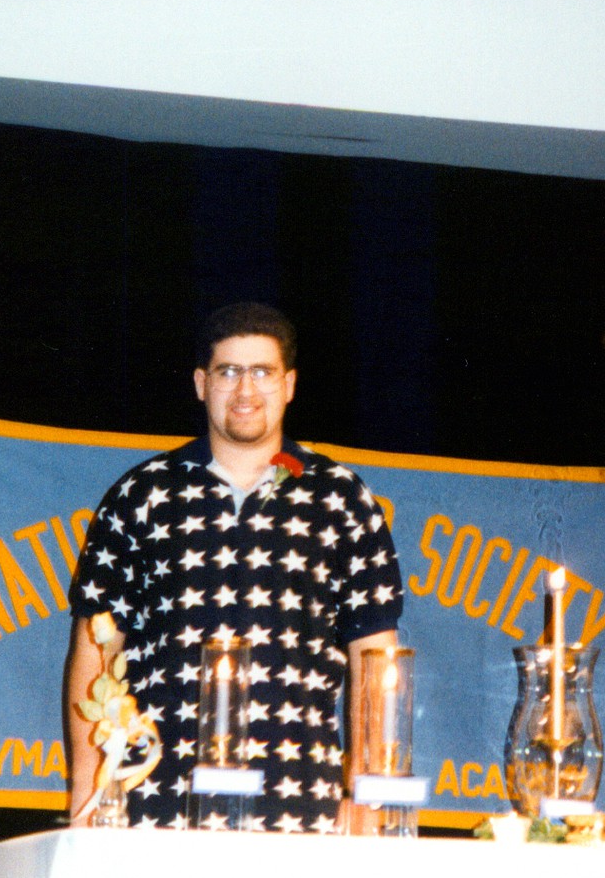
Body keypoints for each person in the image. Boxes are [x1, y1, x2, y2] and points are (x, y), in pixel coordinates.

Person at [64, 301, 403, 833]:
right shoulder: (143, 494)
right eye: (228, 372)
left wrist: (365, 789)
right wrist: (88, 789)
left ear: (289, 384)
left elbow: (374, 653)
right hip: (158, 802)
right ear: (202, 383)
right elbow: (96, 647)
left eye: (263, 372)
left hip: (303, 800)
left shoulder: (341, 497)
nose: (246, 391)